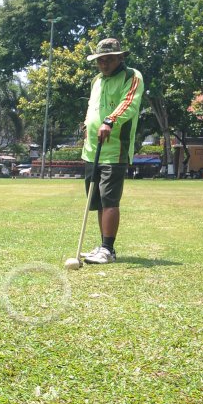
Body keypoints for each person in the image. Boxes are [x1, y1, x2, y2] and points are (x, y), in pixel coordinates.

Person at [79, 38, 144, 264]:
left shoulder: (131, 76)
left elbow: (129, 103)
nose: (104, 64)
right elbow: (92, 106)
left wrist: (110, 121)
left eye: (109, 60)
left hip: (115, 149)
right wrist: (88, 125)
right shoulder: (96, 80)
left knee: (109, 199)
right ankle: (102, 246)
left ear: (120, 58)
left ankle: (109, 249)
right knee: (95, 200)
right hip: (92, 150)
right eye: (100, 60)